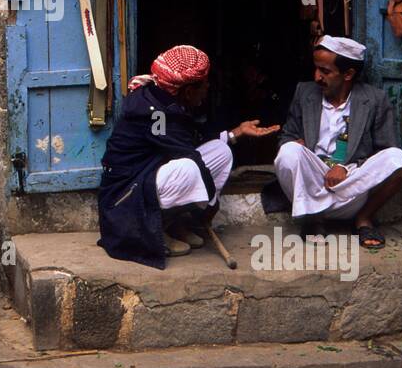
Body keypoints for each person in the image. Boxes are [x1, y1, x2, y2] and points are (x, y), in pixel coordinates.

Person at [97, 46, 280, 269]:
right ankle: (155, 228)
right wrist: (211, 204)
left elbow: (192, 138)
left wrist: (236, 133)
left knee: (220, 152)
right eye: (204, 84)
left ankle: (175, 222)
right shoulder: (155, 113)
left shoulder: (165, 100)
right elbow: (188, 152)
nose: (208, 87)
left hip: (148, 173)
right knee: (189, 168)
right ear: (188, 92)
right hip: (128, 194)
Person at [274, 36, 402, 250]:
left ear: (348, 74)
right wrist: (295, 144)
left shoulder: (374, 99)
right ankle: (313, 219)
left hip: (350, 188)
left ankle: (364, 219)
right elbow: (286, 137)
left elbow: (385, 149)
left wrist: (346, 168)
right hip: (310, 184)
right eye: (316, 69)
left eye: (325, 71)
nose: (317, 77)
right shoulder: (304, 92)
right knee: (288, 152)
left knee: (398, 159)